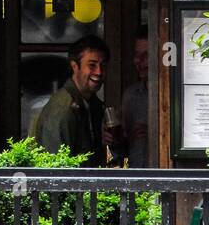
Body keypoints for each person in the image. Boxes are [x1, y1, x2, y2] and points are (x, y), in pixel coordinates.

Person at [31, 36, 117, 166]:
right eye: (92, 65)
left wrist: (103, 143)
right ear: (74, 66)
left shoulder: (92, 104)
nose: (99, 72)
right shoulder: (62, 109)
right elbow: (55, 168)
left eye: (103, 65)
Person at [119, 33, 150, 168]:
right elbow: (121, 145)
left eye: (146, 55)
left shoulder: (172, 95)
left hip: (166, 175)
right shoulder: (130, 95)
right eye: (137, 55)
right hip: (135, 174)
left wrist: (155, 133)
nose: (139, 60)